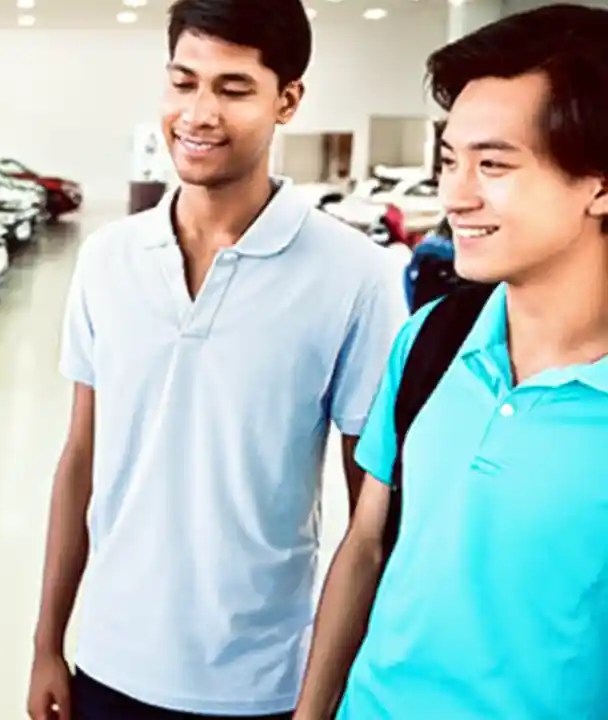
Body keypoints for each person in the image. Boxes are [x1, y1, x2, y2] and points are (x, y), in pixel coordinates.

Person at [26, 0, 407, 718]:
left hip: (266, 687)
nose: (198, 112)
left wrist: (324, 700)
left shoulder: (355, 275)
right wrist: (48, 643)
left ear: (287, 99)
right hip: (106, 668)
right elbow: (81, 458)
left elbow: (371, 522)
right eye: (183, 82)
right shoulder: (108, 258)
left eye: (233, 89)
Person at [295, 5, 608, 719]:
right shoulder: (434, 337)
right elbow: (368, 547)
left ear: (599, 184)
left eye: (493, 164)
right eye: (449, 160)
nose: (454, 195)